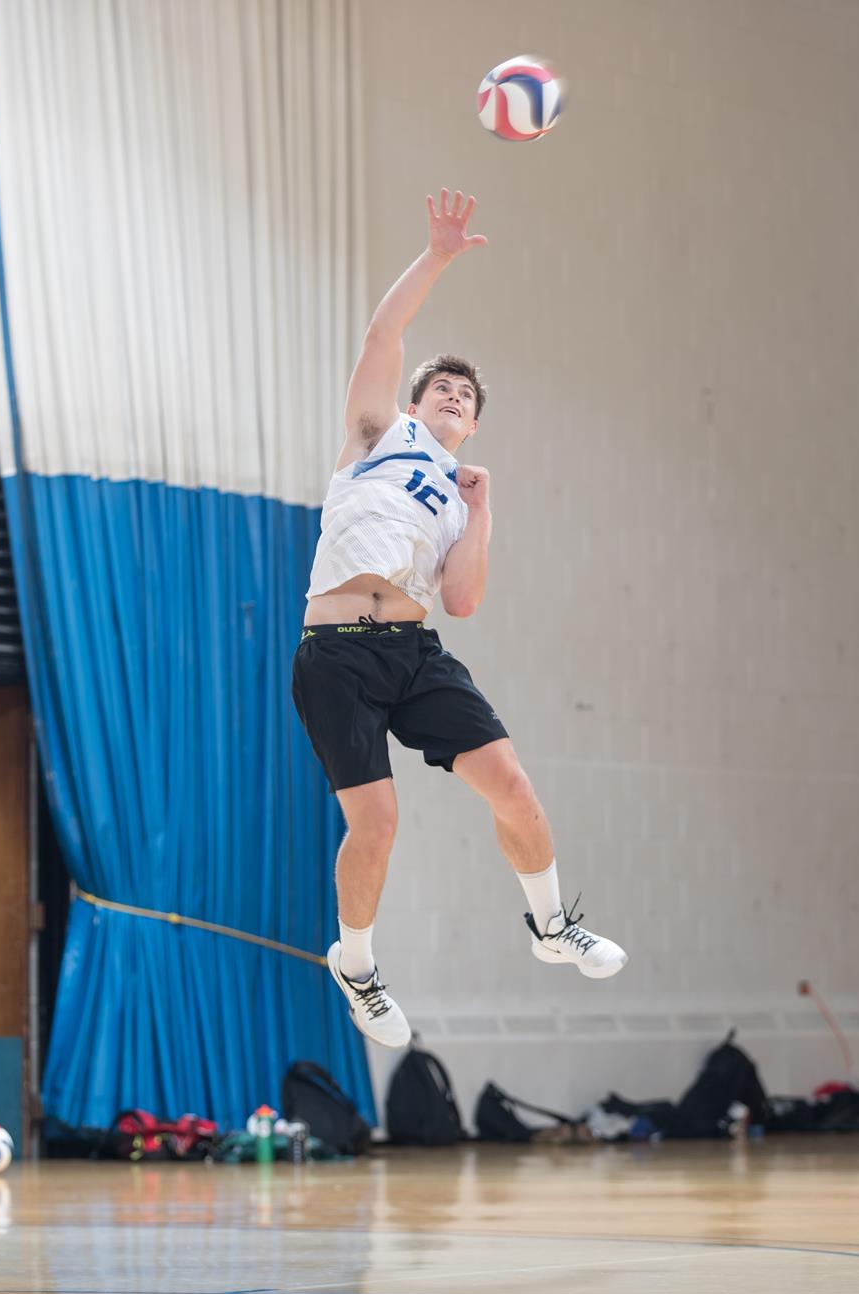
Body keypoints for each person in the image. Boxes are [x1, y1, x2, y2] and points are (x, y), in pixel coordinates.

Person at [292, 189, 628, 1048]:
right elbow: (381, 338)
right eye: (440, 386)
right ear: (414, 404)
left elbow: (467, 600)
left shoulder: (457, 498)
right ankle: (357, 965)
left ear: (472, 424)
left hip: (411, 649)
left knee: (512, 785)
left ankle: (552, 924)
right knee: (379, 822)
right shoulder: (377, 437)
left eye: (464, 395)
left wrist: (482, 515)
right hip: (334, 655)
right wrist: (438, 255)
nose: (451, 394)